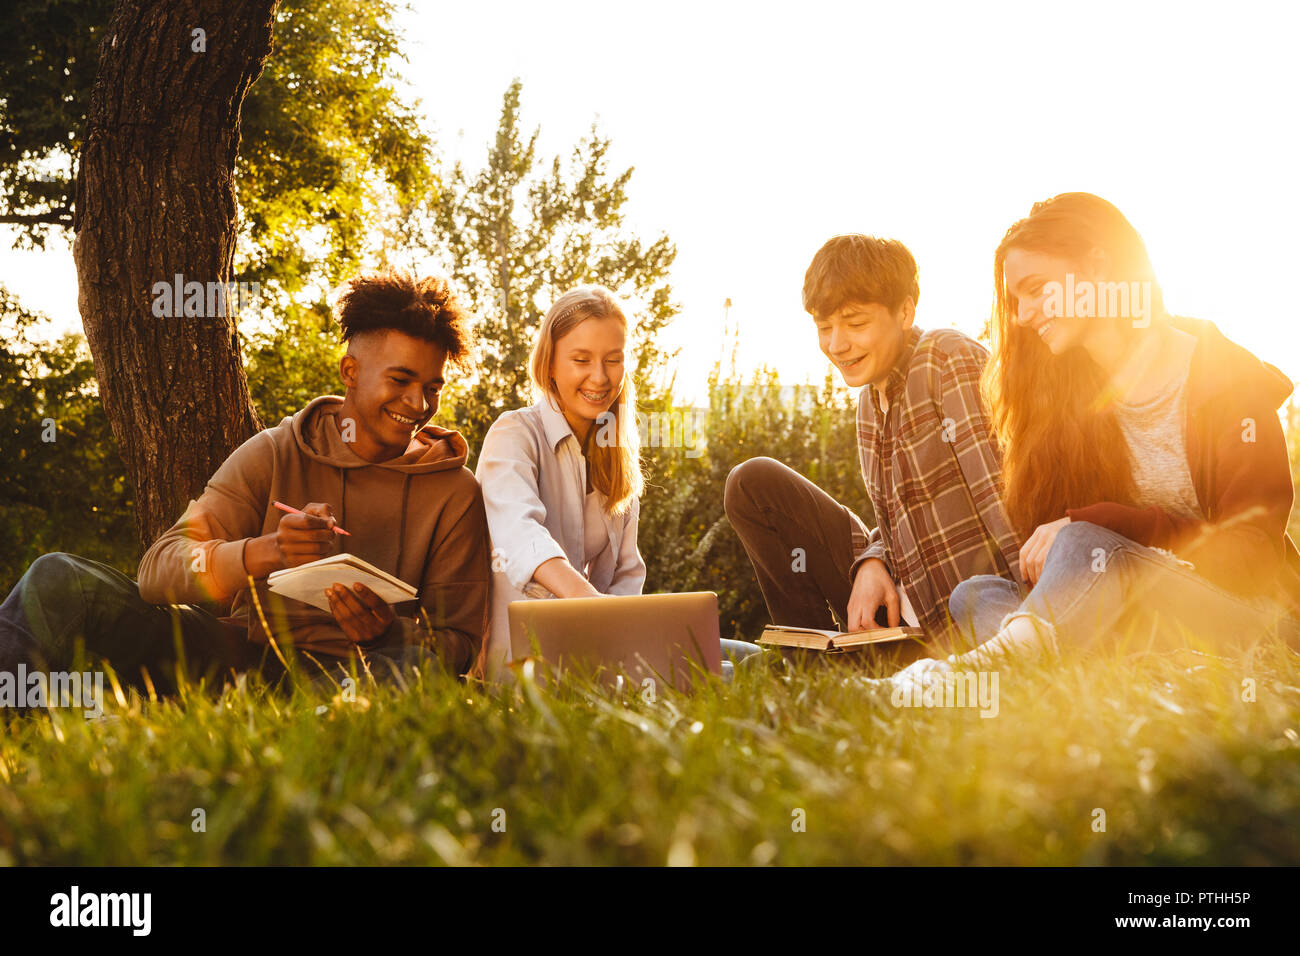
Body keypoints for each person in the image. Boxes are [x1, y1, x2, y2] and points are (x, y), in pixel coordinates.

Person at [0, 271, 492, 694]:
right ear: (350, 371)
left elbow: (460, 645)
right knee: (59, 579)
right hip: (242, 659)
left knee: (411, 669)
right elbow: (157, 571)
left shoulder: (455, 493)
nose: (417, 403)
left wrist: (387, 632)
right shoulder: (274, 450)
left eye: (431, 388)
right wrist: (263, 553)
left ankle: (321, 728)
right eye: (401, 381)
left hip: (364, 669)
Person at [895, 192, 1300, 687]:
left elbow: (1252, 558)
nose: (1022, 314)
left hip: (1248, 617)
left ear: (1099, 265)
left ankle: (963, 677)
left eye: (1037, 288)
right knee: (975, 595)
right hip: (1146, 625)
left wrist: (1104, 527)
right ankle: (1123, 676)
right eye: (1014, 300)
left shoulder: (1225, 379)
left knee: (1087, 542)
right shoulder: (1074, 408)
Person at [723, 235, 1022, 647]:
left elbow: (1004, 495)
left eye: (856, 324)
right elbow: (896, 521)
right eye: (824, 328)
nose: (836, 344)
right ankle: (811, 662)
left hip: (961, 622)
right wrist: (871, 560)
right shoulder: (869, 405)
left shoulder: (945, 359)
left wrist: (1042, 620)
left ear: (904, 311)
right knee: (752, 483)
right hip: (896, 605)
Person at [475, 285, 758, 680]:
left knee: (754, 659)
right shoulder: (514, 434)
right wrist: (596, 609)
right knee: (725, 675)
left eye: (613, 359)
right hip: (526, 657)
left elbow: (627, 576)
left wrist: (627, 631)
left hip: (599, 646)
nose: (600, 376)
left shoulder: (615, 456)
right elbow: (519, 534)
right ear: (550, 364)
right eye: (581, 359)